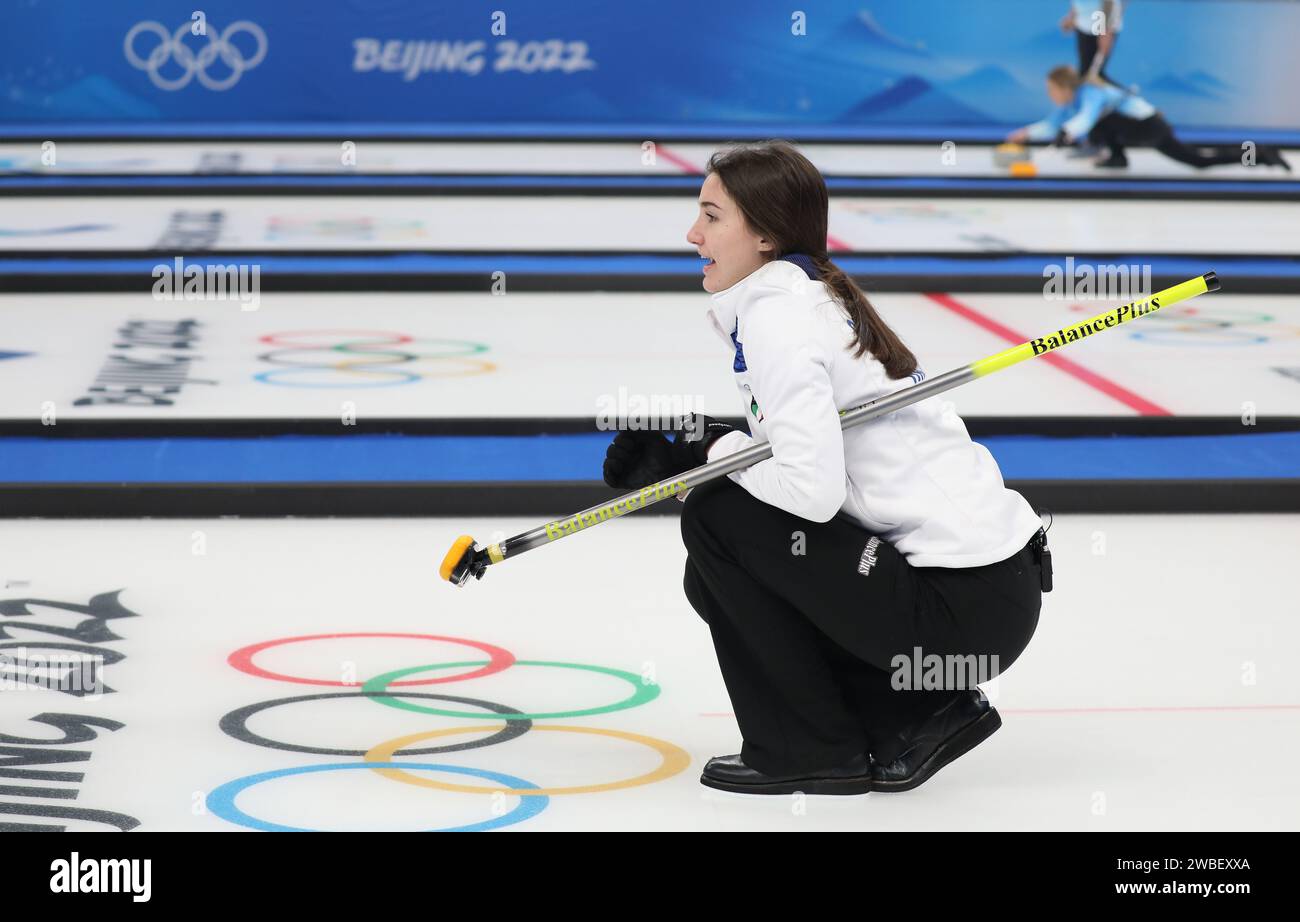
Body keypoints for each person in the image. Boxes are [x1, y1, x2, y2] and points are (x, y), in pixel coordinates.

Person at [602, 140, 1050, 795]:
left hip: (961, 613)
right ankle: (914, 714)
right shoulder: (802, 295)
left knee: (718, 517)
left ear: (765, 235)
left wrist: (707, 459)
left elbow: (809, 496)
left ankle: (809, 748)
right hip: (982, 603)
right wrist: (700, 454)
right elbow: (805, 472)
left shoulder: (779, 315)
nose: (692, 233)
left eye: (712, 215)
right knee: (716, 576)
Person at [1007, 65, 1291, 171]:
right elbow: (1054, 123)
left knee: (1099, 124)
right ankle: (1262, 155)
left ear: (1063, 88)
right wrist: (1025, 134)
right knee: (1198, 161)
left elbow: (1084, 120)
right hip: (1146, 128)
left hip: (1148, 126)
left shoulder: (1090, 94)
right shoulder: (1072, 104)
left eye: (1051, 90)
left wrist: (1067, 134)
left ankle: (1117, 157)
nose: (1050, 95)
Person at [1060, 0, 1123, 86]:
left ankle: (1124, 97)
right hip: (1084, 26)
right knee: (1086, 72)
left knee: (1095, 74)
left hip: (1100, 28)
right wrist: (1072, 16)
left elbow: (1109, 2)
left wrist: (1104, 31)